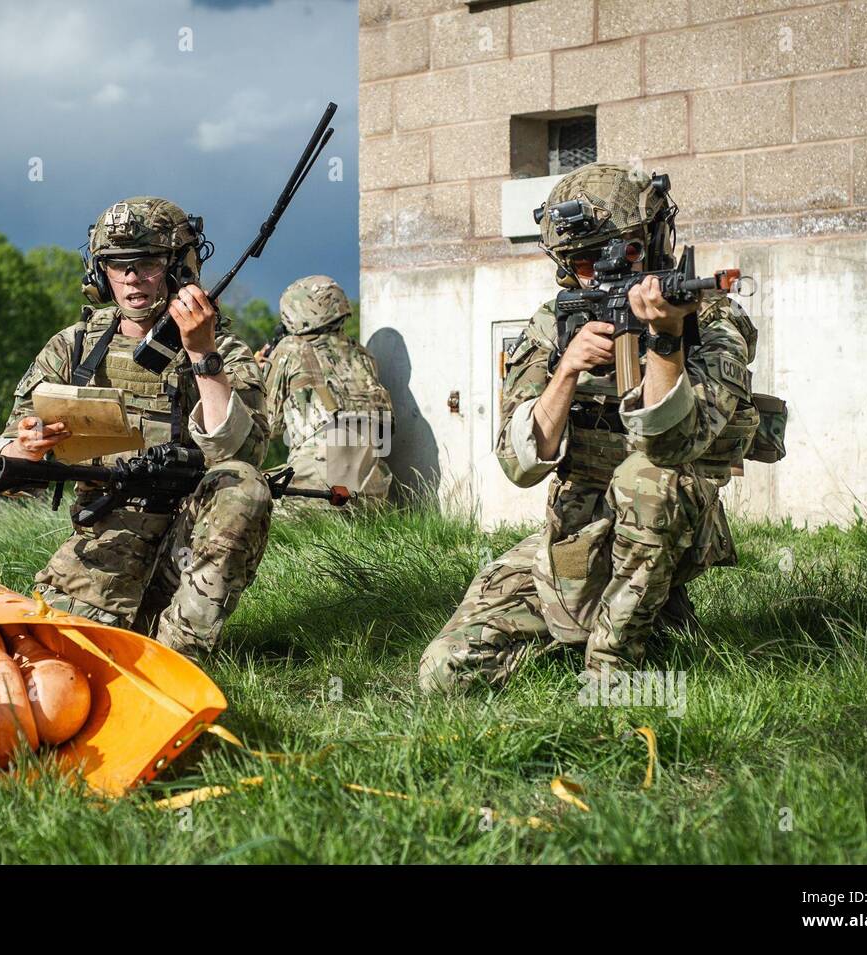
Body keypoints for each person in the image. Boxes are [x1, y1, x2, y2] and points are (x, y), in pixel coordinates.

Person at [419, 162, 762, 695]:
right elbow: (519, 464)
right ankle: (633, 621)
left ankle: (613, 673)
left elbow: (672, 447)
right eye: (579, 262)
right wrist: (567, 369)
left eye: (615, 253)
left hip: (666, 520)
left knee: (648, 479)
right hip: (576, 528)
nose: (595, 271)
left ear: (648, 242)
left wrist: (666, 340)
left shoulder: (712, 320)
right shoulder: (554, 324)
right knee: (447, 672)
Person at [0, 197, 272, 657]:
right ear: (100, 274)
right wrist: (28, 449)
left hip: (185, 546)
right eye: (117, 266)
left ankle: (180, 655)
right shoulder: (72, 348)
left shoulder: (223, 351)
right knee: (55, 659)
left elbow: (244, 454)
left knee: (245, 486)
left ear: (180, 267)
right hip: (104, 542)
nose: (132, 277)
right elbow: (4, 462)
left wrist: (201, 353)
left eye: (147, 262)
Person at [259, 275, 395, 509]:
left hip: (317, 493)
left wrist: (259, 375)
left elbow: (268, 426)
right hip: (372, 495)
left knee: (245, 494)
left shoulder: (290, 349)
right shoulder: (361, 355)